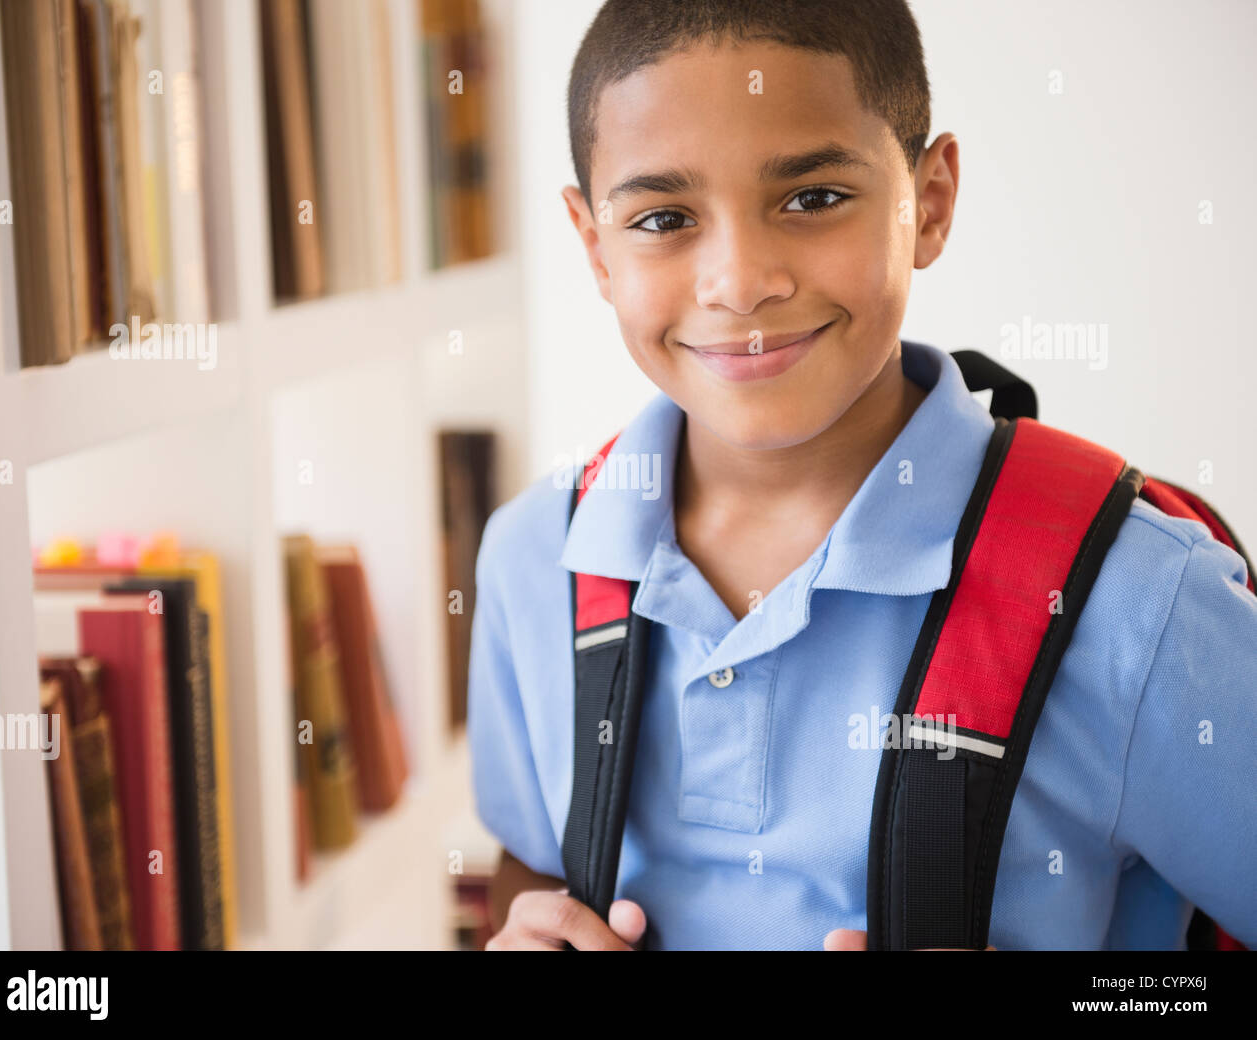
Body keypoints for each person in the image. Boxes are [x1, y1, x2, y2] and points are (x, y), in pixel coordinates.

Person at [468, 0, 1257, 950]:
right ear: (595, 246)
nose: (742, 280)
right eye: (664, 217)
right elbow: (529, 857)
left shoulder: (1143, 602)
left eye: (811, 198)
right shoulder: (532, 557)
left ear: (929, 201)